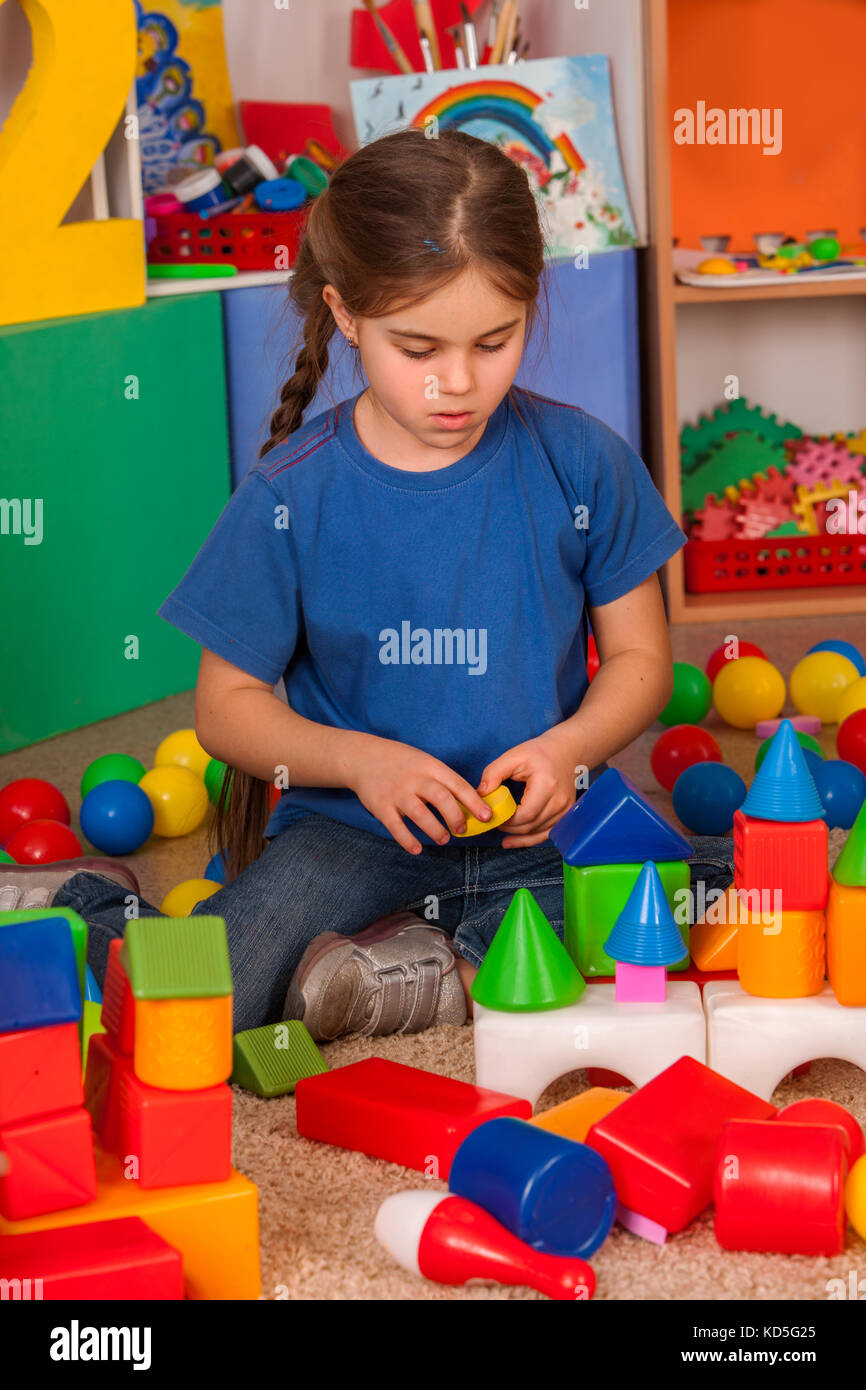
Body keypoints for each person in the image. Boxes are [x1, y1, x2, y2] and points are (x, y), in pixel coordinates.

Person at [2, 130, 734, 1039]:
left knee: (730, 884)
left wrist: (571, 748)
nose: (458, 384)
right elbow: (227, 710)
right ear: (346, 316)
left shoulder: (582, 459)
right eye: (417, 348)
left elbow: (640, 661)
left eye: (495, 342)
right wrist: (362, 763)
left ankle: (413, 965)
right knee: (191, 1002)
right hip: (350, 841)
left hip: (534, 842)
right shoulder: (290, 494)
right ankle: (93, 905)